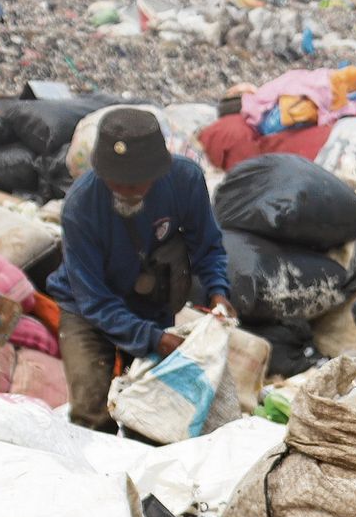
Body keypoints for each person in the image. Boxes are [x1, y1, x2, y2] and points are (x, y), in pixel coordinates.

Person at [47, 108, 233, 429]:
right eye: (117, 182)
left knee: (156, 412)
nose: (127, 190)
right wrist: (155, 340)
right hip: (87, 308)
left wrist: (218, 292)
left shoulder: (185, 181)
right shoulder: (81, 207)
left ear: (158, 172)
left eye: (137, 183)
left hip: (151, 302)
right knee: (92, 411)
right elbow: (94, 300)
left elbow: (208, 246)